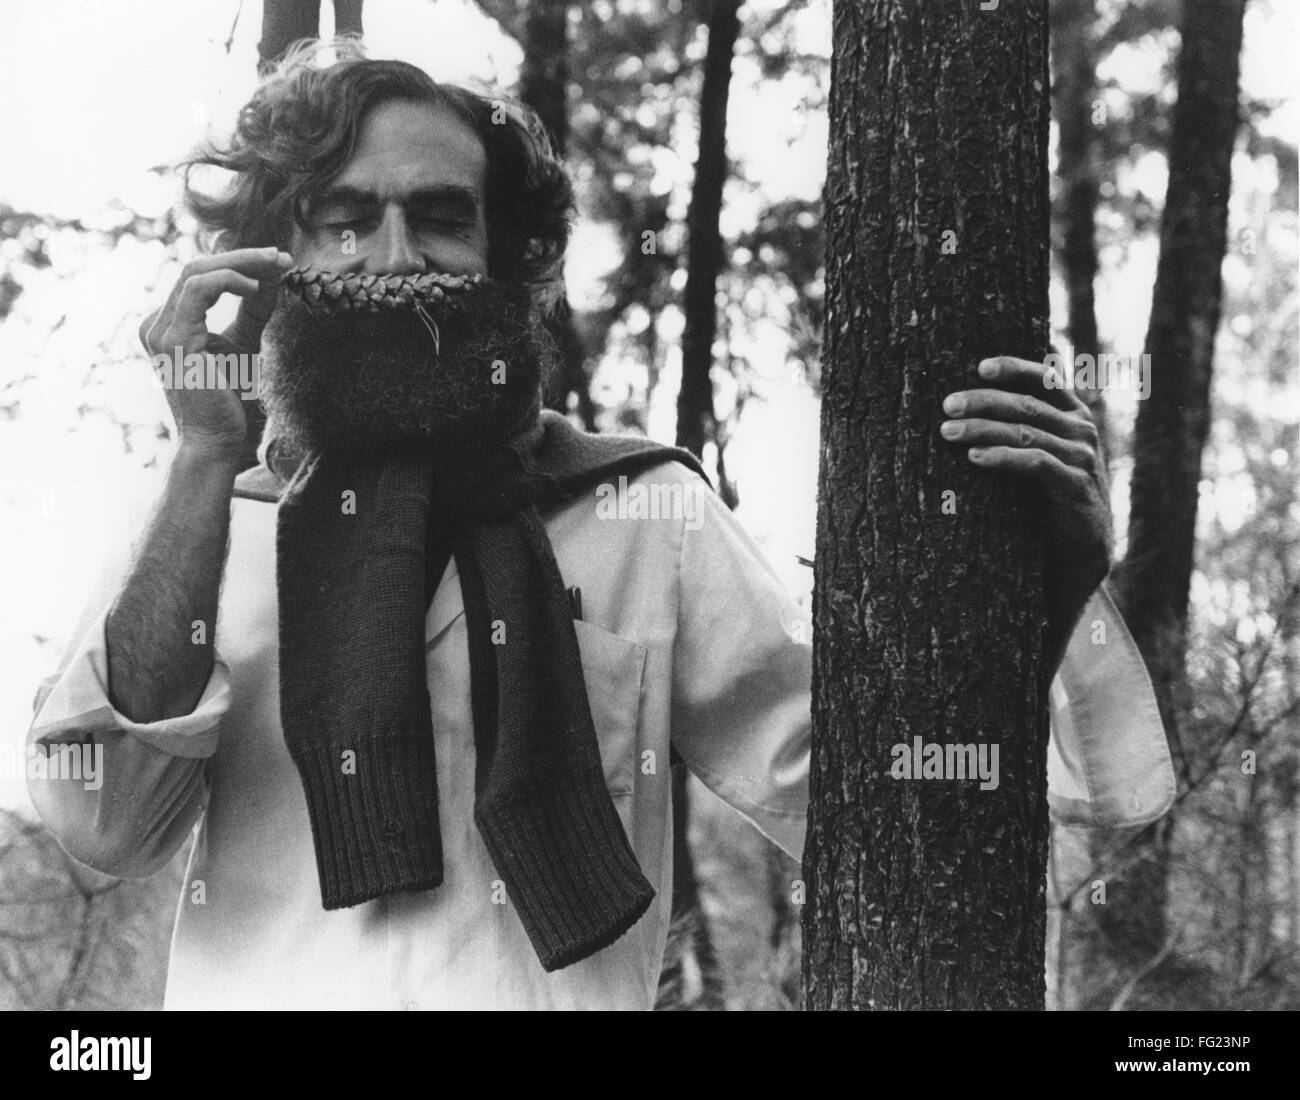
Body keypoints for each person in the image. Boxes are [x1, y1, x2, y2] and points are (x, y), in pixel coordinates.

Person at [27, 42, 1173, 1010]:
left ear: (510, 262)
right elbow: (101, 818)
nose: (393, 257)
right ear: (282, 258)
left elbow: (891, 817)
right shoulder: (207, 520)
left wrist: (1056, 582)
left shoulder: (639, 510)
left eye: (439, 218)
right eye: (344, 221)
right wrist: (204, 456)